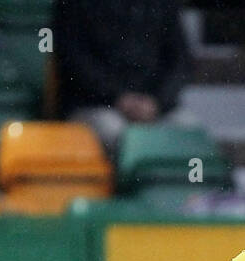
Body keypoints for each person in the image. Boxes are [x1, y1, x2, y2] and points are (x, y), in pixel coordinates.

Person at [52, 0, 192, 154]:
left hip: (154, 107)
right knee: (122, 137)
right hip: (94, 106)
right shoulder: (74, 4)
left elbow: (180, 62)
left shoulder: (162, 4)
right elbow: (73, 60)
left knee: (188, 133)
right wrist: (119, 97)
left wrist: (157, 102)